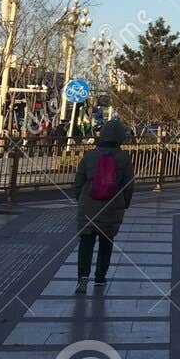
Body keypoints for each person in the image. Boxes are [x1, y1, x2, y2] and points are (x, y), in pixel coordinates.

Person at [71, 117, 135, 292]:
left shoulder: (90, 155)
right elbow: (129, 185)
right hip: (112, 206)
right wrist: (125, 203)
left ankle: (83, 277)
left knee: (86, 241)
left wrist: (80, 198)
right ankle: (100, 277)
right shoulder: (123, 158)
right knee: (106, 242)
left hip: (88, 204)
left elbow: (78, 181)